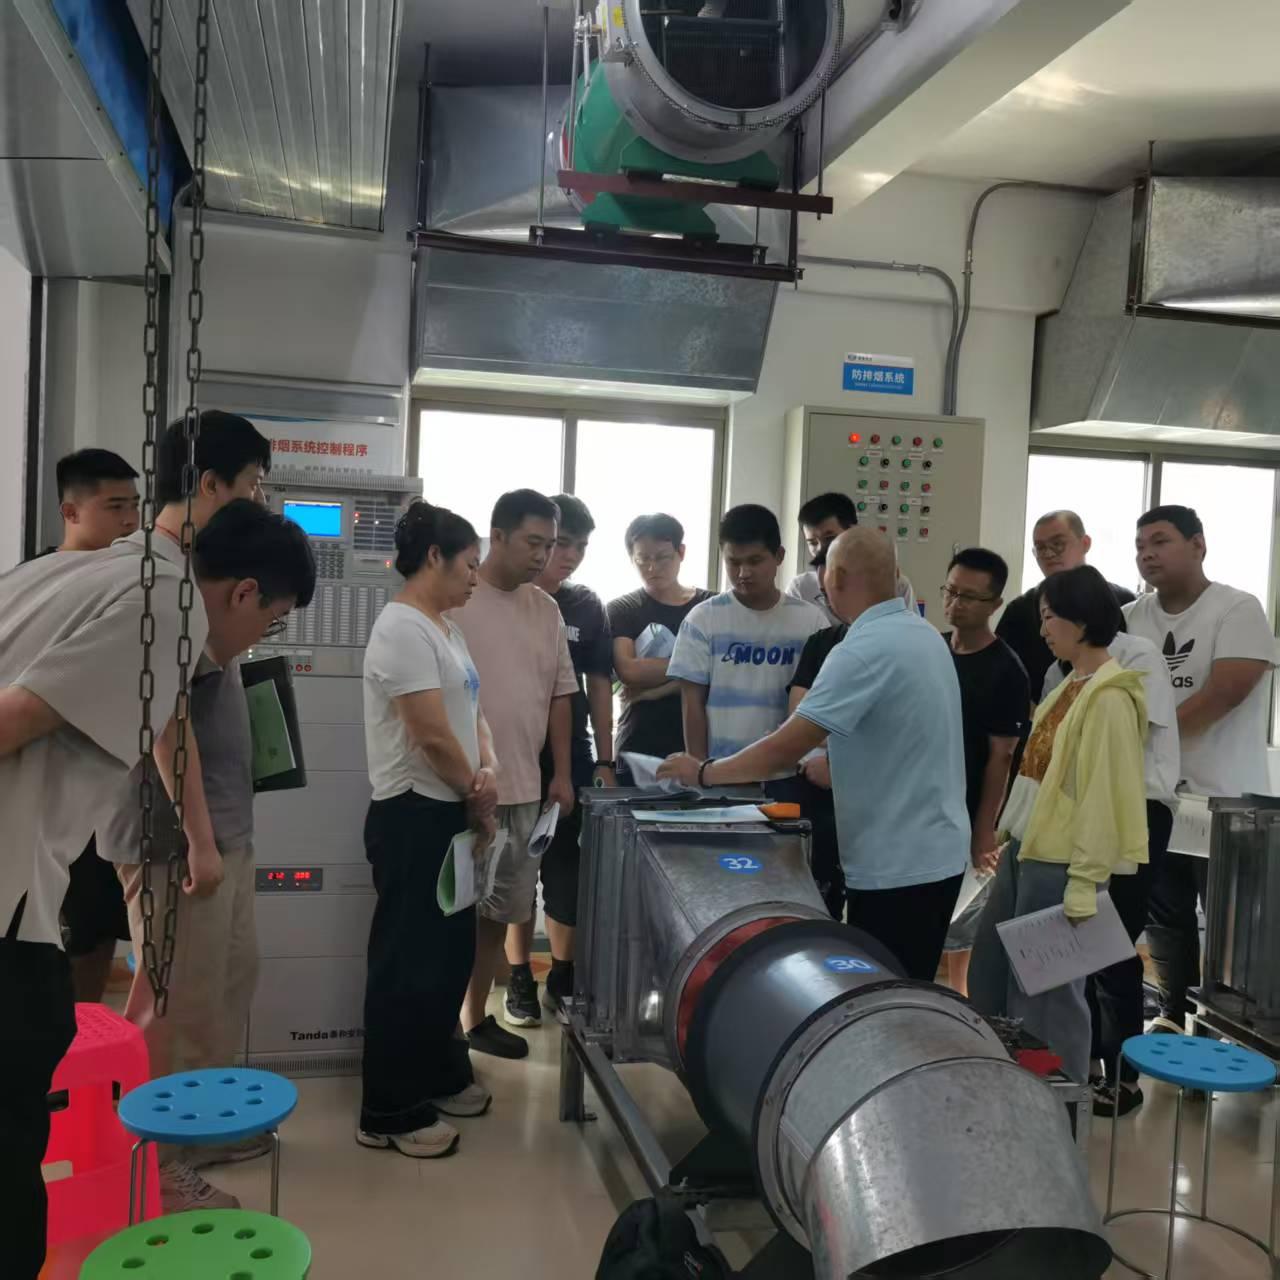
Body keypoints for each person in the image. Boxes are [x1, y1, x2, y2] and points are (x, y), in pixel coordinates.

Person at [0, 496, 305, 1280]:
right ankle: (153, 1165)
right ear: (243, 592)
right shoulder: (165, 609)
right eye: (270, 622)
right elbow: (19, 720)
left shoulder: (89, 574)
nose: (257, 641)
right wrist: (199, 839)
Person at [97, 412, 285, 1213]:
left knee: (222, 986)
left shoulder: (199, 569)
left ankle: (194, 1126)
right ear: (209, 484)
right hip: (173, 837)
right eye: (252, 486)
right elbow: (162, 719)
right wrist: (201, 839)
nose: (258, 503)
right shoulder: (158, 576)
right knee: (169, 1005)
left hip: (216, 828)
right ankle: (153, 1165)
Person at [661, 528, 969, 980]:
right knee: (907, 987)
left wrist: (705, 771)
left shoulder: (862, 649)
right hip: (938, 851)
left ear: (836, 578)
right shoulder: (922, 634)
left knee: (884, 996)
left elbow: (788, 746)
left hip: (897, 864)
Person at [968, 566, 1148, 1084]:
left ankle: (1055, 1100)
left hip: (1064, 861)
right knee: (992, 973)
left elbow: (1103, 796)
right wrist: (1009, 833)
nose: (1043, 629)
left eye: (1049, 618)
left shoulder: (1110, 696)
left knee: (1046, 994)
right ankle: (1008, 1083)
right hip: (1029, 849)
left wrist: (1086, 881)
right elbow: (1035, 774)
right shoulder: (1068, 683)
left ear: (1081, 620)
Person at [357, 501, 497, 1160]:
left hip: (452, 811)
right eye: (469, 564)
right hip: (414, 815)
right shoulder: (401, 629)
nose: (475, 577)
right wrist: (477, 792)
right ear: (435, 557)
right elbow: (432, 735)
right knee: (406, 966)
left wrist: (486, 772)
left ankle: (437, 1074)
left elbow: (474, 714)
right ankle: (388, 1109)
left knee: (447, 960)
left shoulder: (445, 629)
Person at [1125, 504, 1276, 1035]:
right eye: (1140, 545)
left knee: (1236, 929)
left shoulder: (1237, 608)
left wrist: (1142, 735)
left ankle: (1233, 1033)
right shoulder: (1131, 617)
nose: (1147, 554)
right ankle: (1171, 1017)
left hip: (1228, 807)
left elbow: (1225, 692)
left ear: (1198, 544)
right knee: (1164, 918)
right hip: (1157, 799)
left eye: (1160, 541)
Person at [451, 489, 577, 1059]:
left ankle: (475, 1018)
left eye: (549, 545)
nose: (542, 556)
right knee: (451, 914)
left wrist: (562, 775)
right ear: (496, 536)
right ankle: (441, 1031)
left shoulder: (546, 610)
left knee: (499, 915)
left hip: (524, 789)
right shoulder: (457, 599)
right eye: (533, 542)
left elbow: (560, 696)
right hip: (459, 789)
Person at [1043, 627, 1178, 1116]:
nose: (1044, 630)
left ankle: (1123, 1077)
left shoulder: (1135, 657)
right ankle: (1082, 1065)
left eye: (1052, 617)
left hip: (1132, 809)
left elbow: (1129, 739)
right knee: (1073, 945)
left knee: (1112, 944)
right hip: (1076, 816)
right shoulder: (1058, 672)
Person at [34, 450, 142, 1003]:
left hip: (112, 787)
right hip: (49, 789)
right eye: (115, 506)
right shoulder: (36, 583)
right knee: (54, 931)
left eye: (135, 506)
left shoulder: (132, 589)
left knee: (98, 926)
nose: (130, 521)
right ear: (71, 512)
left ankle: (87, 1041)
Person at [528, 495, 615, 1024]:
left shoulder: (585, 604)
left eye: (581, 546)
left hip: (573, 754)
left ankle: (561, 974)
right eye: (563, 544)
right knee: (515, 871)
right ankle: (518, 974)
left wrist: (605, 759)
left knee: (566, 867)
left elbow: (599, 685)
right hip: (515, 750)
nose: (571, 556)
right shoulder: (511, 597)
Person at [668, 504, 827, 774]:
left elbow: (822, 703)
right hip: (722, 774)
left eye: (754, 561)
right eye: (733, 562)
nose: (743, 573)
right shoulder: (702, 620)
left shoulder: (812, 622)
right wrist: (700, 771)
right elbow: (692, 704)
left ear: (779, 556)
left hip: (790, 775)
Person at [937, 549, 1029, 996]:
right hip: (923, 801)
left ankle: (962, 1000)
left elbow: (1001, 758)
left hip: (968, 805)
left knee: (963, 921)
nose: (955, 604)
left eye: (969, 597)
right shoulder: (932, 649)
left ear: (995, 604)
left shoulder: (1006, 669)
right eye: (951, 591)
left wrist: (983, 829)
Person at [608, 514, 713, 779]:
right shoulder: (622, 609)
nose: (652, 567)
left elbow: (719, 670)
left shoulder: (710, 607)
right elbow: (630, 671)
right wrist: (695, 665)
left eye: (662, 557)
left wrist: (652, 691)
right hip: (639, 744)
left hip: (703, 747)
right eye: (643, 559)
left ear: (681, 552)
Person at [997, 510, 1135, 702]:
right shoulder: (1019, 611)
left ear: (1085, 543)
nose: (1048, 554)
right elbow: (1004, 675)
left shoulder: (1123, 601)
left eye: (1058, 544)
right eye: (1040, 547)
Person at [784, 548, 847, 919]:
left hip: (872, 811)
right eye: (823, 594)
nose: (829, 601)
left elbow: (888, 735)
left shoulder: (898, 646)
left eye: (833, 589)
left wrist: (838, 765)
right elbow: (800, 717)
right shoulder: (822, 641)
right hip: (815, 791)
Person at [785, 491, 916, 620]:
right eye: (813, 543)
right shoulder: (800, 589)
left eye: (830, 538)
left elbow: (908, 629)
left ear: (853, 531)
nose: (820, 549)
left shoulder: (897, 585)